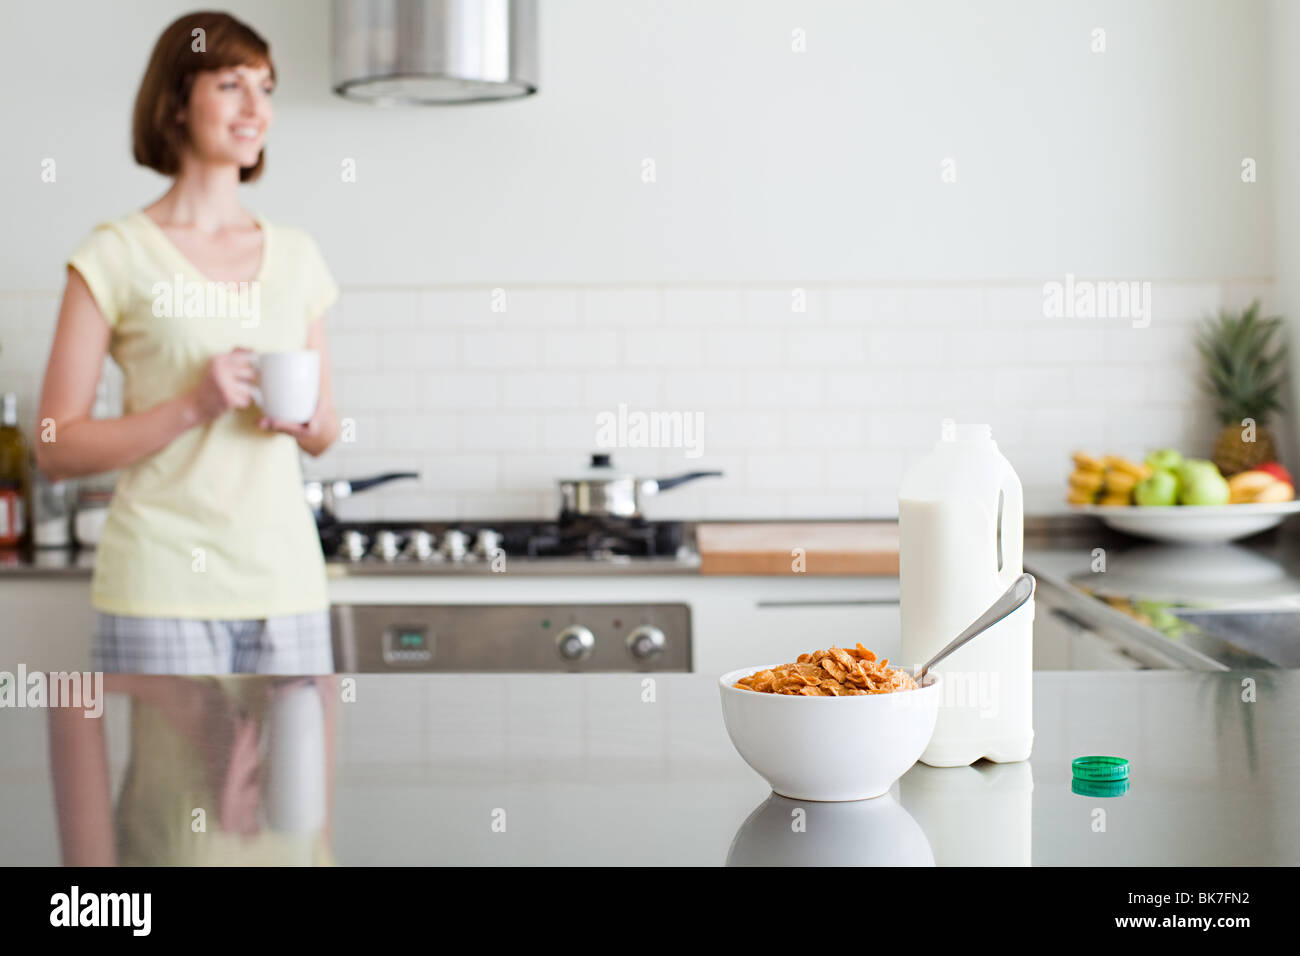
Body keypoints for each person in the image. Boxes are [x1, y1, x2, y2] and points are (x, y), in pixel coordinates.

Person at [36, 11, 340, 673]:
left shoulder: (297, 257)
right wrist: (193, 406)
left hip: (286, 585)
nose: (255, 107)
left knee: (302, 783)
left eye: (266, 87)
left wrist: (307, 421)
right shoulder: (114, 254)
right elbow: (54, 446)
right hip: (161, 586)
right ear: (176, 103)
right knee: (172, 784)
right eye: (231, 84)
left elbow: (325, 432)